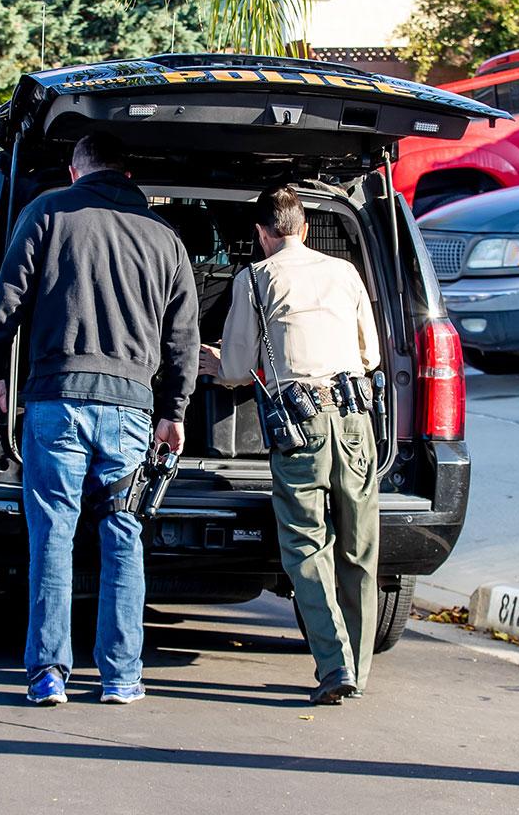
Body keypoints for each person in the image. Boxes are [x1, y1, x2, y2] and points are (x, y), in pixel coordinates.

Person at [0, 132, 200, 707]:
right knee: (123, 535)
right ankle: (122, 676)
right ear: (126, 172)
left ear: (77, 170)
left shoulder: (49, 211)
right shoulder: (166, 240)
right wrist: (173, 412)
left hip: (57, 400)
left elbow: (8, 299)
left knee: (52, 533)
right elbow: (183, 342)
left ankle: (49, 673)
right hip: (130, 408)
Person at [198, 184, 380, 705]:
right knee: (360, 546)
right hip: (355, 419)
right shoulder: (345, 273)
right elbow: (369, 356)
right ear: (303, 229)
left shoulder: (255, 278)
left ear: (261, 235)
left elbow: (234, 368)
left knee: (306, 545)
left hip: (301, 427)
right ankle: (359, 670)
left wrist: (216, 364)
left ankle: (336, 665)